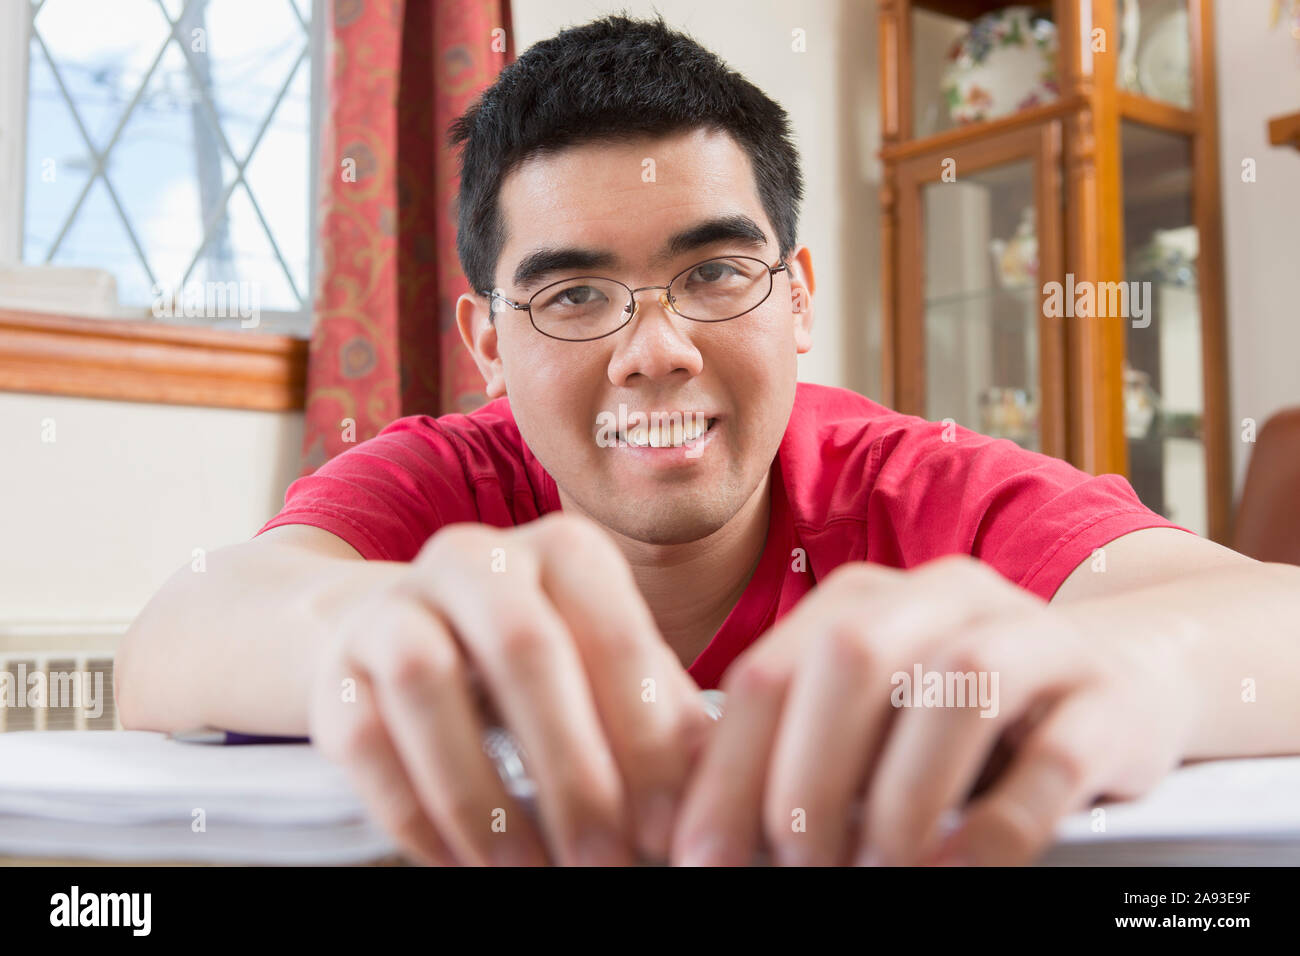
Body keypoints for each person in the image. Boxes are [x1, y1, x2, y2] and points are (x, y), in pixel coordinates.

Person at [115, 14, 1300, 868]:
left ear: (796, 298)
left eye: (716, 272)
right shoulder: (445, 480)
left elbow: (1271, 618)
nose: (654, 349)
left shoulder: (915, 479)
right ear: (485, 340)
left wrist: (1140, 671)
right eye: (574, 295)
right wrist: (361, 630)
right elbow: (178, 634)